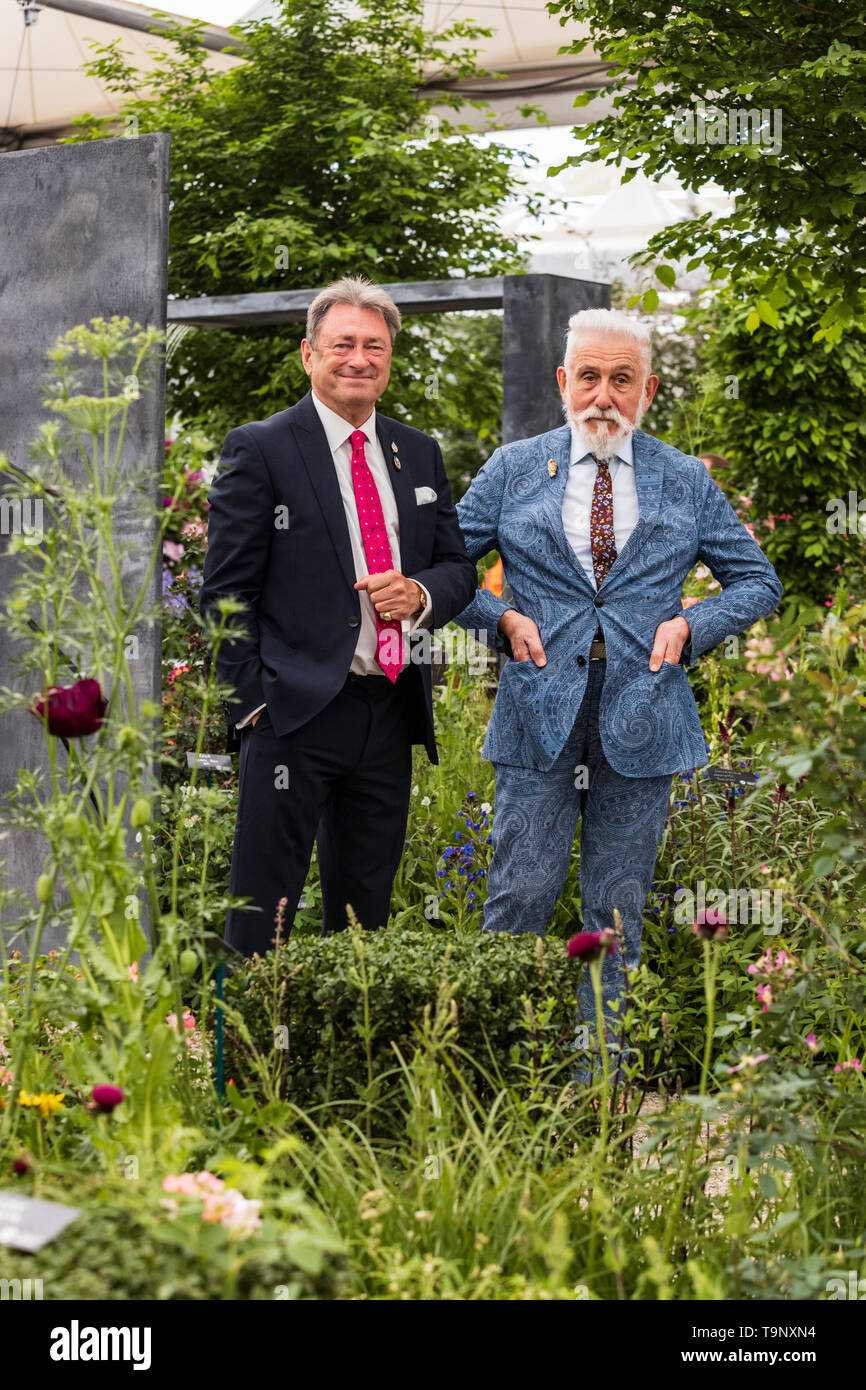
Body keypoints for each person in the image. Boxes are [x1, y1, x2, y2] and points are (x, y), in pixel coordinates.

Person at [453, 307, 783, 1072]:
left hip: (644, 715)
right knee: (517, 901)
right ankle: (500, 1083)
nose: (604, 395)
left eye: (622, 379)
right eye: (590, 377)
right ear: (564, 381)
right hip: (537, 714)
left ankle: (596, 1092)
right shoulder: (512, 468)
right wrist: (500, 619)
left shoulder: (684, 479)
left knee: (614, 917)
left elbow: (757, 581)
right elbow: (443, 569)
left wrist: (691, 627)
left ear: (648, 390)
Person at [199, 276, 476, 957]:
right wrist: (253, 708)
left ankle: (346, 1027)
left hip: (388, 711)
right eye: (343, 343)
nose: (359, 358)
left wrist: (419, 592)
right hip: (291, 716)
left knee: (363, 919)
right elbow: (225, 594)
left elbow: (458, 567)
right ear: (309, 354)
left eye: (374, 346)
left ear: (390, 358)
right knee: (262, 914)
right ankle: (245, 1029)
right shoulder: (261, 447)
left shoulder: (418, 451)